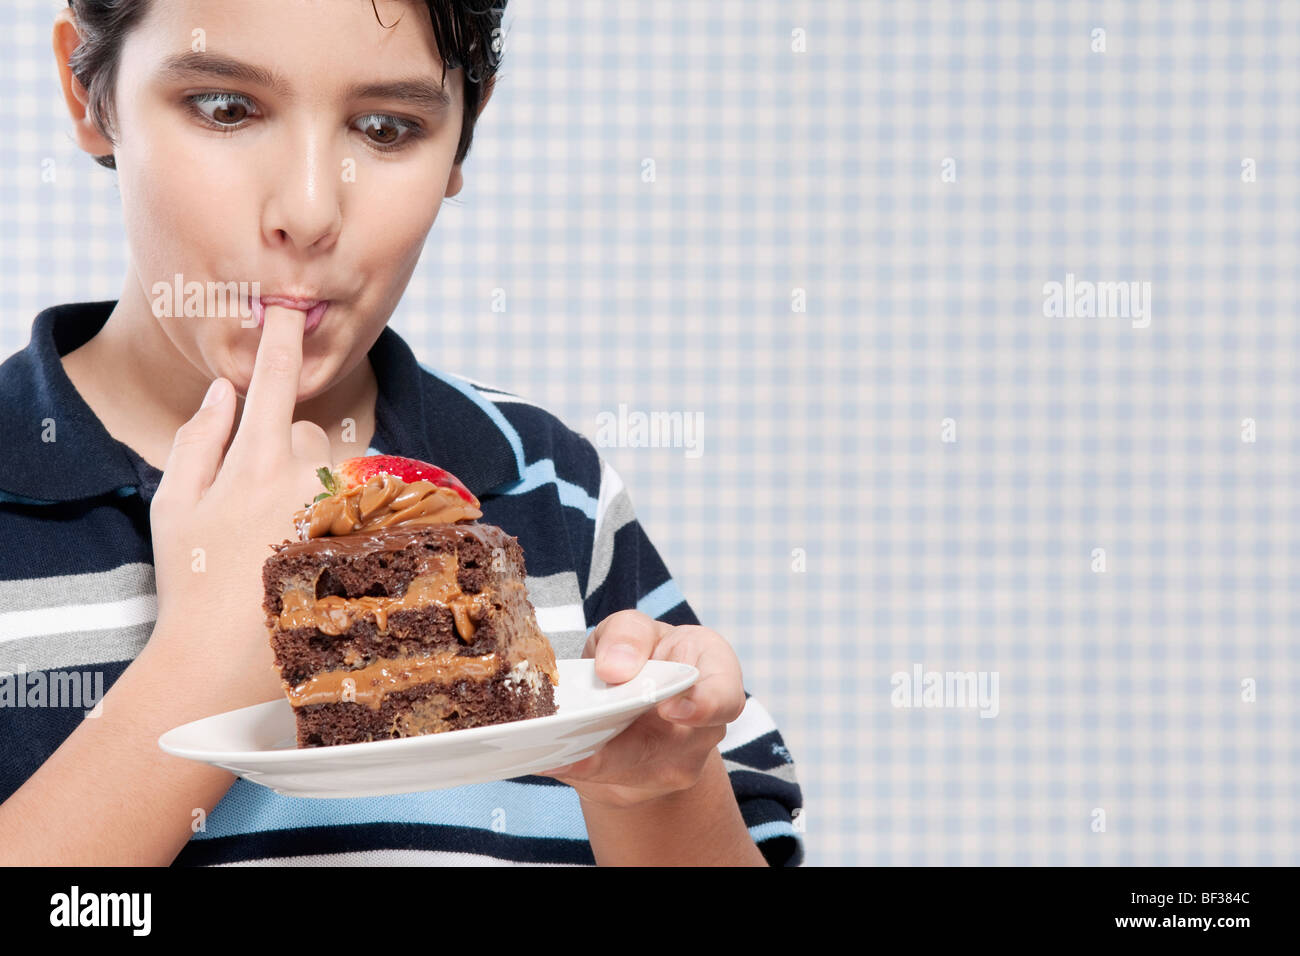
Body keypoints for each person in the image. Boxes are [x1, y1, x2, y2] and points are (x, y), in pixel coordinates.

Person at [0, 0, 804, 866]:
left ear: (465, 129)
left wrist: (657, 793)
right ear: (90, 92)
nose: (308, 211)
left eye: (385, 127)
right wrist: (201, 660)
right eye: (226, 109)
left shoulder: (550, 491)